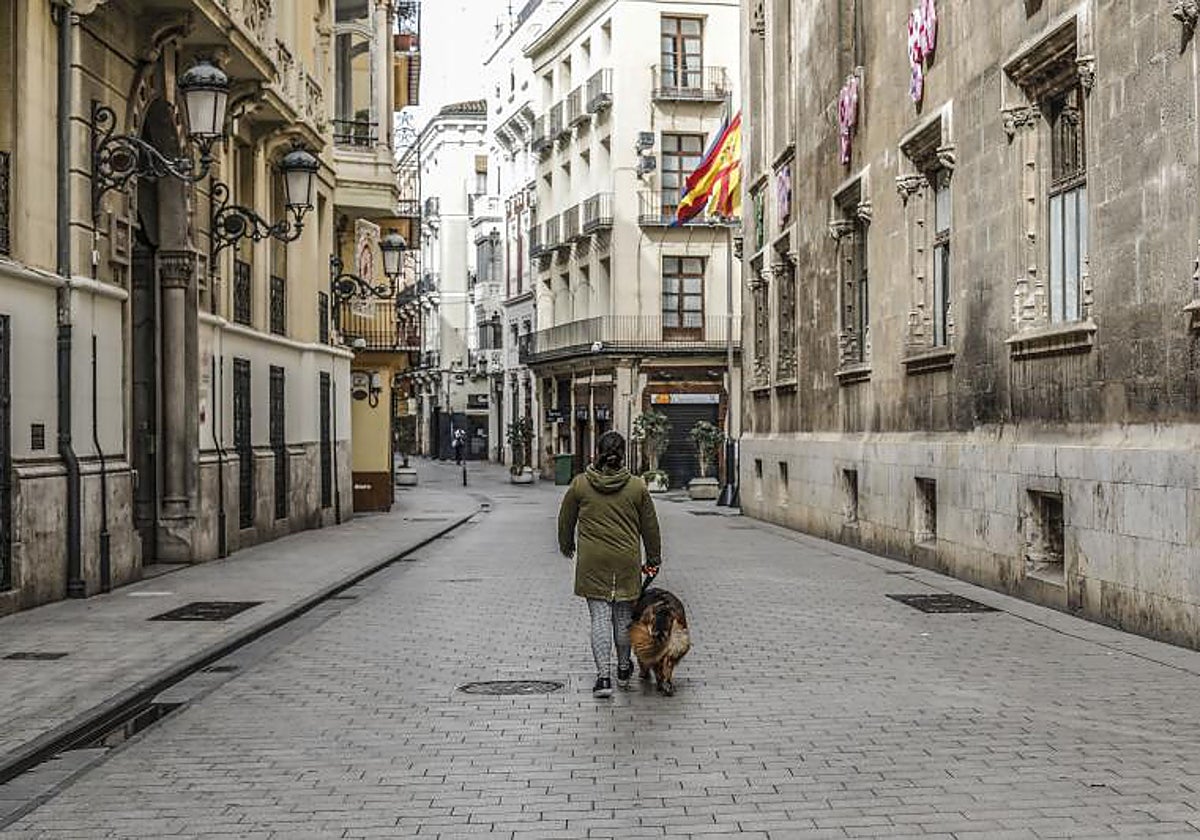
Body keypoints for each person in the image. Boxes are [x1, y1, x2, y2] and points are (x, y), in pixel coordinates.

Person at [557, 430, 662, 699]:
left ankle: (603, 678)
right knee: (624, 619)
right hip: (626, 561)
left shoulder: (580, 484)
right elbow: (650, 527)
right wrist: (653, 559)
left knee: (600, 619)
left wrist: (567, 545)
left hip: (593, 562)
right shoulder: (637, 486)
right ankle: (624, 667)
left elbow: (565, 520)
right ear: (623, 454)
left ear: (597, 453)